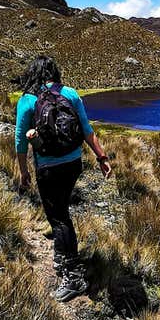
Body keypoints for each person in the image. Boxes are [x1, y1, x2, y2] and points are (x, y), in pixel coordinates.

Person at [14, 55, 112, 302]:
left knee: (59, 219)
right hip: (73, 164)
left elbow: (19, 141)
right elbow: (87, 130)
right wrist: (102, 158)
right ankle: (62, 254)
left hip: (48, 168)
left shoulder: (27, 100)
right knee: (62, 210)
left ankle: (74, 278)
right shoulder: (70, 93)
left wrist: (24, 171)